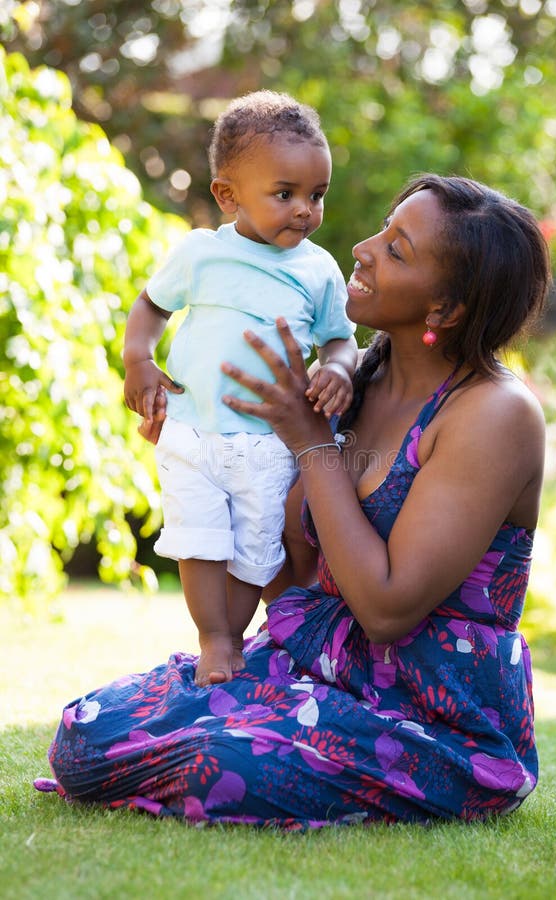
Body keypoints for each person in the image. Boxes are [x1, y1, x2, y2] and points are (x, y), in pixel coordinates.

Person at [35, 174, 550, 827]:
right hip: (315, 671)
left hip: (434, 717)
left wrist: (311, 444)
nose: (362, 248)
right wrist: (210, 447)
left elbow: (388, 609)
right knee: (86, 732)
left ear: (444, 310)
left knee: (220, 759)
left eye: (396, 249)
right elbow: (299, 580)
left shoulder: (494, 415)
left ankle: (236, 756)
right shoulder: (357, 379)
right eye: (383, 229)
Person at [122, 91, 357, 687]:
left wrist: (338, 368)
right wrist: (138, 359)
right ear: (228, 195)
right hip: (192, 429)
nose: (305, 209)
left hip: (267, 443)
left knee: (255, 546)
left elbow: (339, 339)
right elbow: (151, 305)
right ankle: (215, 642)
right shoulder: (201, 252)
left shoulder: (318, 270)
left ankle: (241, 636)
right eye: (286, 194)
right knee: (198, 541)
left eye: (317, 195)